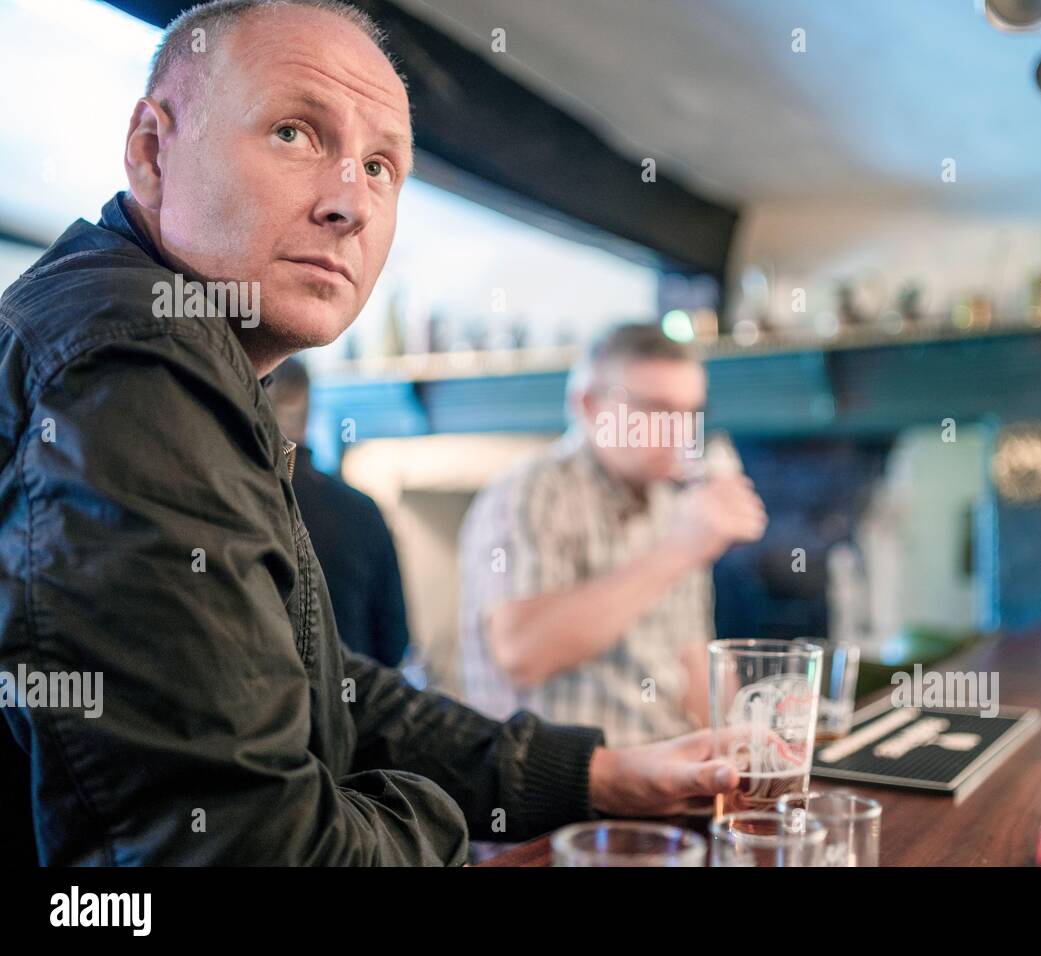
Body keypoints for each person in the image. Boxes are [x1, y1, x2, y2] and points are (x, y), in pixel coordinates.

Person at [0, 0, 739, 866]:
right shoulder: (141, 360)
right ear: (153, 150)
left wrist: (602, 775)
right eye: (294, 132)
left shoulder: (177, 352)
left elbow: (333, 688)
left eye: (382, 165)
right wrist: (448, 828)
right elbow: (251, 847)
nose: (350, 200)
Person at [459, 323, 768, 747]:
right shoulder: (534, 491)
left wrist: (743, 745)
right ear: (588, 405)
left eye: (691, 412)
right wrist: (679, 550)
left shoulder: (673, 501)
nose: (682, 434)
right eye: (657, 410)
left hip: (670, 775)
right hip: (568, 790)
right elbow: (521, 653)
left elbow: (694, 660)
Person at [268, 358, 409, 667]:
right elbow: (395, 645)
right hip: (353, 707)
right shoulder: (362, 511)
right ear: (308, 414)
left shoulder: (237, 504)